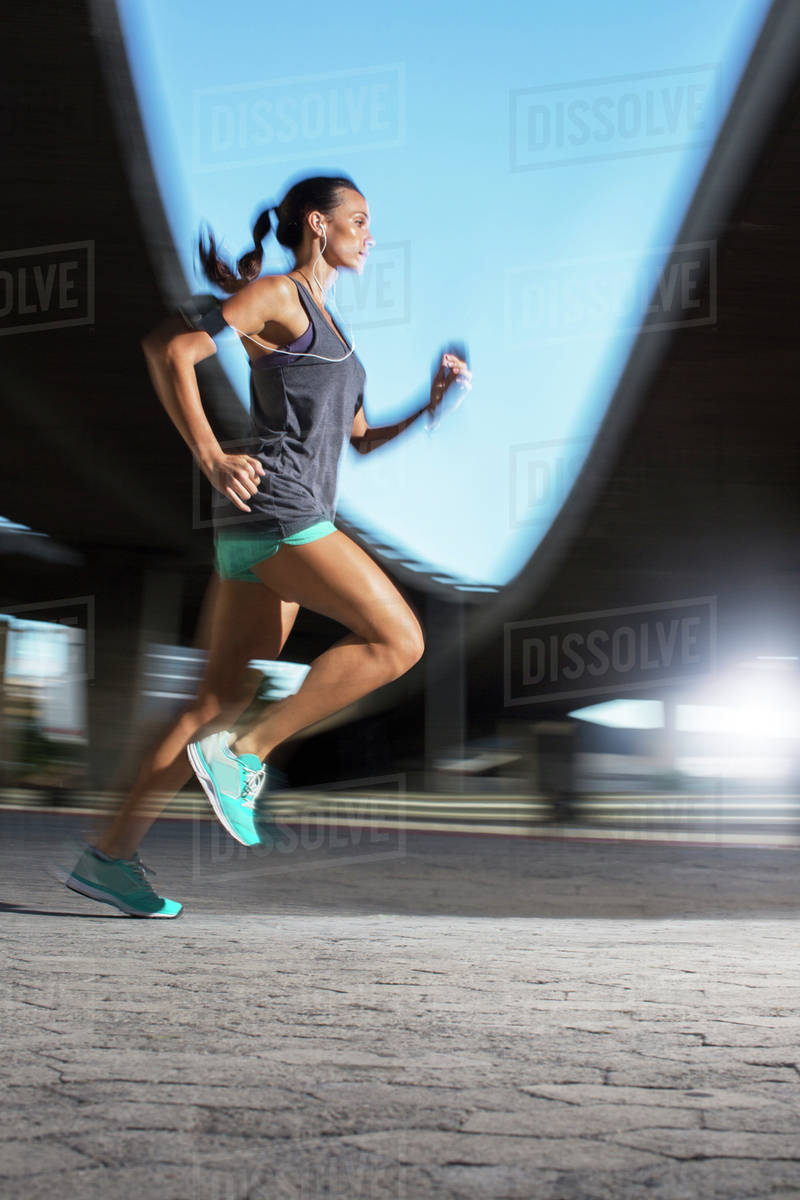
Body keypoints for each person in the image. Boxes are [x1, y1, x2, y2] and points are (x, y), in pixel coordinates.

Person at [56, 174, 471, 918]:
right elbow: (171, 350)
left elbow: (360, 441)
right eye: (360, 220)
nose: (370, 234)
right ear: (319, 224)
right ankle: (247, 754)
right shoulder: (279, 296)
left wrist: (430, 407)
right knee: (400, 639)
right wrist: (213, 455)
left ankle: (109, 857)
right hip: (281, 510)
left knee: (215, 696)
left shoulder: (332, 327)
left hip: (265, 525)